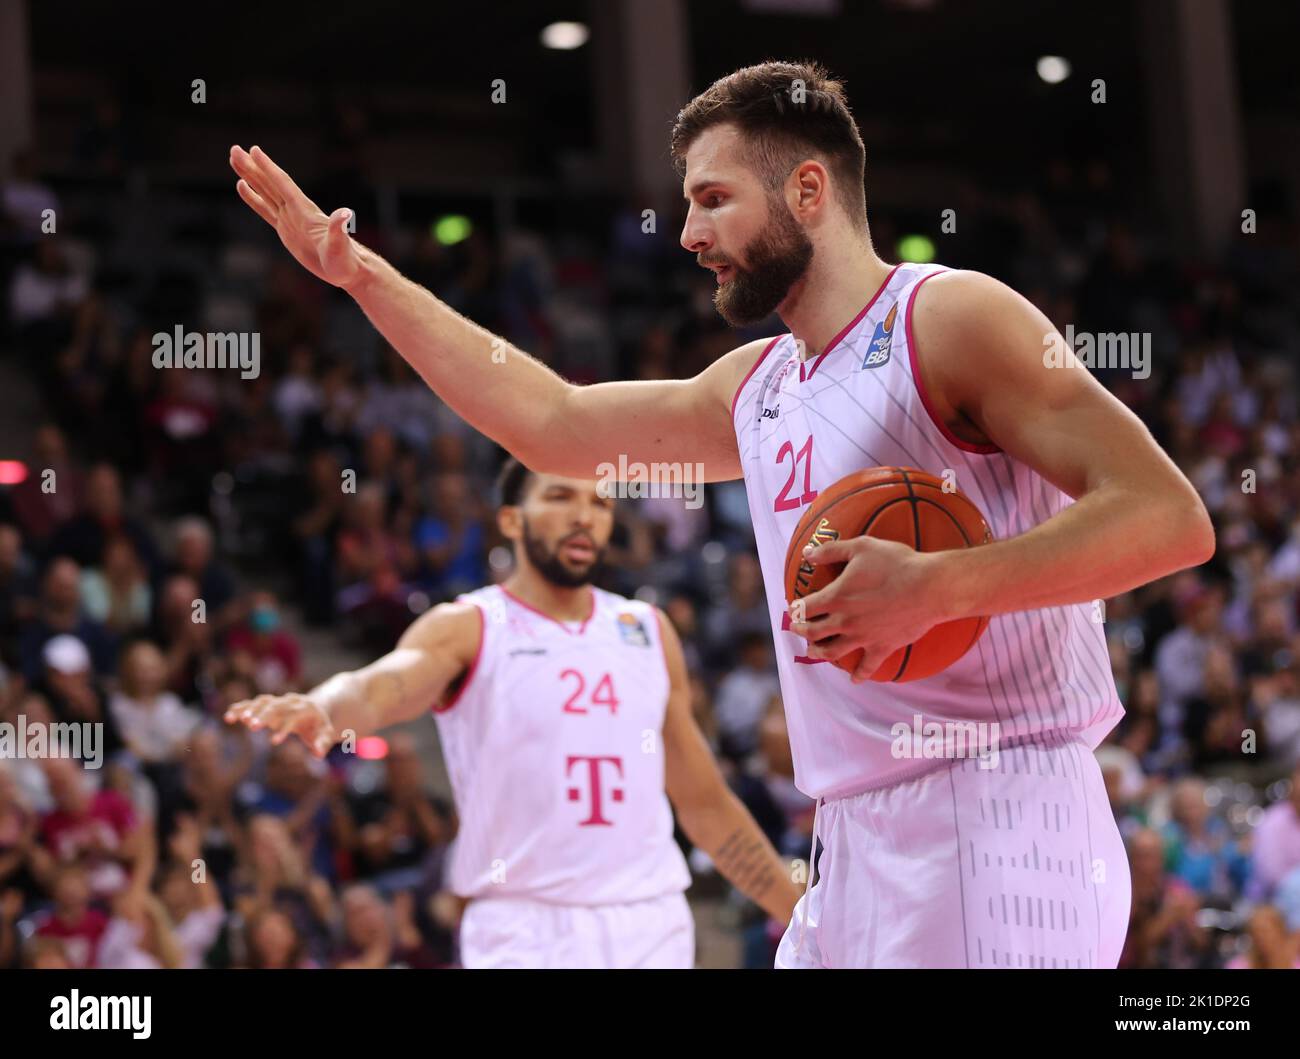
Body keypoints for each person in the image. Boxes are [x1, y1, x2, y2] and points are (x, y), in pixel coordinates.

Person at [228, 59, 1214, 968]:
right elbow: (554, 424)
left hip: (998, 809)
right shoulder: (758, 387)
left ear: (807, 192)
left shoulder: (951, 319)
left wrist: (942, 586)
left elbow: (1166, 517)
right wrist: (362, 278)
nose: (690, 233)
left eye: (711, 199)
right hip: (853, 834)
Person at [226, 461, 799, 968]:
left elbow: (704, 803)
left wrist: (801, 916)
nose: (583, 517)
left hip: (648, 920)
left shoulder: (646, 630)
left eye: (598, 503)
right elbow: (382, 686)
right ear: (509, 521)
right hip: (522, 927)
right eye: (559, 497)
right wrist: (325, 705)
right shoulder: (469, 627)